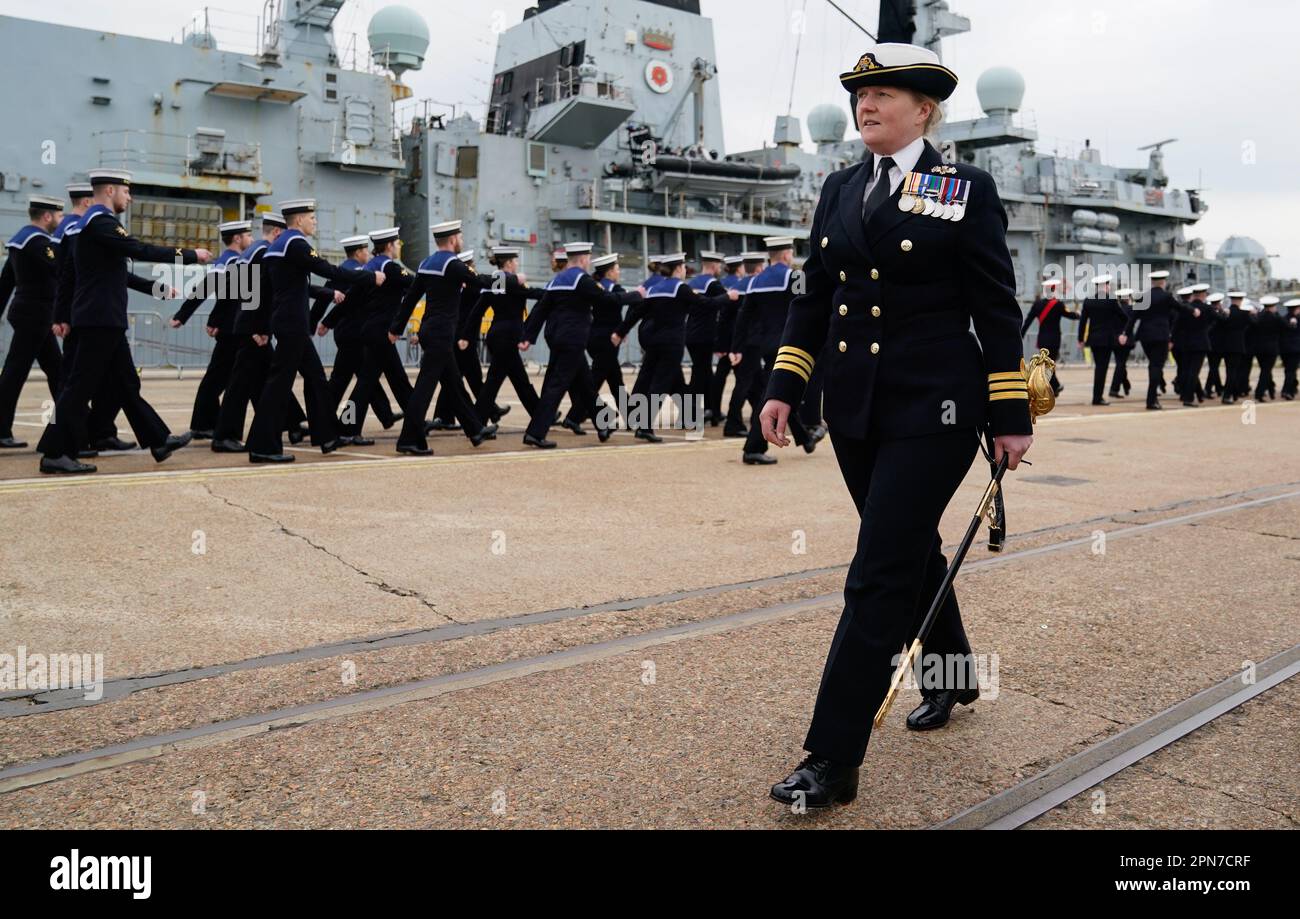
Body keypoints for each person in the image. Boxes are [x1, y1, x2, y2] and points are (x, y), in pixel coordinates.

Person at [759, 44, 1033, 808]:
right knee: (911, 552)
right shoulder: (841, 186)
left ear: (925, 109)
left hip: (937, 408)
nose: (866, 104)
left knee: (876, 571)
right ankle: (954, 673)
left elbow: (994, 304)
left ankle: (831, 758)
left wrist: (1010, 412)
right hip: (855, 408)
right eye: (859, 94)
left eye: (883, 93)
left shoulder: (963, 188)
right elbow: (812, 295)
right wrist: (787, 383)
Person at [37, 169, 208, 474]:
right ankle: (54, 452)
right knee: (78, 387)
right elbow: (140, 249)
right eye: (126, 192)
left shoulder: (88, 226)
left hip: (102, 318)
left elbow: (86, 274)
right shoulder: (101, 222)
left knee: (127, 383)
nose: (129, 198)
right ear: (111, 191)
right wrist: (190, 254)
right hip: (99, 318)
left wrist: (61, 314)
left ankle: (158, 441)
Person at [246, 198, 382, 463]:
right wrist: (369, 277)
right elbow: (327, 269)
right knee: (278, 385)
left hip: (287, 322)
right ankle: (263, 446)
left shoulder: (276, 247)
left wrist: (261, 325)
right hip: (292, 324)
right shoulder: (295, 243)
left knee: (317, 379)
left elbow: (268, 288)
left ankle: (326, 436)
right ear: (298, 220)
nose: (315, 221)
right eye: (312, 217)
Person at [387, 220, 498, 455]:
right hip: (441, 333)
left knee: (454, 384)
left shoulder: (427, 263)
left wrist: (396, 328)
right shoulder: (453, 264)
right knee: (424, 388)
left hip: (430, 331)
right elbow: (479, 281)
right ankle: (408, 439)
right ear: (452, 239)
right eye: (460, 236)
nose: (462, 240)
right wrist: (507, 280)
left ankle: (475, 430)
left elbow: (411, 298)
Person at [522, 242, 642, 448]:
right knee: (557, 385)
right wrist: (637, 295)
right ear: (584, 259)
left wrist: (528, 336)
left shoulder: (558, 279)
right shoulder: (581, 279)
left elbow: (541, 309)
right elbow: (607, 299)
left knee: (585, 384)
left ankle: (603, 424)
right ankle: (535, 432)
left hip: (557, 337)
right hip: (573, 338)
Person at [729, 236, 819, 465]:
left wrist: (736, 347)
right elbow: (806, 308)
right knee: (772, 395)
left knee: (781, 391)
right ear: (787, 254)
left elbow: (743, 317)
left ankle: (805, 438)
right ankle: (753, 447)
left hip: (764, 344)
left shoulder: (755, 281)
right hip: (790, 344)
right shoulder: (796, 276)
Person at [168, 219, 254, 439]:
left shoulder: (223, 261)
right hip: (236, 328)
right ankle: (207, 424)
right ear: (237, 238)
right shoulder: (237, 261)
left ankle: (204, 422)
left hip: (229, 326)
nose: (251, 239)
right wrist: (214, 319)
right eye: (248, 235)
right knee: (227, 378)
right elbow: (233, 297)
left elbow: (210, 288)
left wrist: (185, 315)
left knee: (222, 377)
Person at [0, 195, 65, 449]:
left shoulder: (19, 240)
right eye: (59, 216)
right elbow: (60, 269)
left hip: (31, 315)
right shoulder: (38, 242)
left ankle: (73, 426)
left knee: (56, 373)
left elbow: (6, 282)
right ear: (47, 216)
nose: (60, 221)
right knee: (16, 373)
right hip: (36, 316)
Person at [459, 246, 548, 424]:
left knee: (518, 380)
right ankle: (476, 423)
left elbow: (477, 313)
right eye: (515, 260)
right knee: (495, 383)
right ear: (508, 263)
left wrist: (466, 336)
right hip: (508, 338)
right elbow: (534, 293)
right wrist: (555, 294)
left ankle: (541, 415)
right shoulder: (513, 284)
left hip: (497, 337)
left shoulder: (494, 285)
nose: (516, 263)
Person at [1123, 270, 1176, 410]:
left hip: (1145, 337)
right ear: (1163, 282)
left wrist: (1125, 334)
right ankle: (1151, 400)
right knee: (1157, 366)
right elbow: (1180, 309)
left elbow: (1133, 318)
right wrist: (1193, 311)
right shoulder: (1167, 296)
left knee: (1153, 365)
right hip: (1161, 336)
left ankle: (1152, 399)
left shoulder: (1144, 297)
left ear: (1152, 282)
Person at [1019, 277, 1077, 396]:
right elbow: (1070, 315)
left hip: (1042, 339)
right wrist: (1079, 314)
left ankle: (1054, 388)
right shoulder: (1058, 304)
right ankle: (1055, 385)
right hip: (1055, 340)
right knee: (1049, 364)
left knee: (1046, 364)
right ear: (1054, 289)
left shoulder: (1037, 304)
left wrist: (1021, 334)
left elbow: (1028, 321)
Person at [1076, 274, 1128, 406]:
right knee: (1102, 368)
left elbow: (1083, 322)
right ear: (1106, 285)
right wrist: (1120, 332)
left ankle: (1097, 396)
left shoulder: (1088, 300)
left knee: (1098, 367)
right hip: (1107, 340)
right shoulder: (1111, 300)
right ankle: (1097, 397)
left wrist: (1080, 339)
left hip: (1093, 339)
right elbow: (1123, 317)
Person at [1252, 296, 1283, 401]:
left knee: (1265, 370)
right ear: (1273, 307)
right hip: (1271, 348)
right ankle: (1259, 393)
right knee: (1266, 371)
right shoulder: (1276, 318)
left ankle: (1271, 390)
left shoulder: (1258, 317)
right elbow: (1286, 327)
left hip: (1259, 348)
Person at [1280, 299, 1300, 400]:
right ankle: (1287, 390)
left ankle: (1292, 387)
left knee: (1288, 370)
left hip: (1284, 349)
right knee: (1291, 371)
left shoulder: (1283, 319)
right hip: (1295, 349)